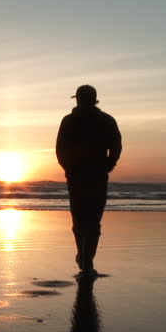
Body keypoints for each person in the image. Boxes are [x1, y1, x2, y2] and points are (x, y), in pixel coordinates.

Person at [56, 85, 122, 277]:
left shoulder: (69, 121)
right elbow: (116, 146)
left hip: (79, 176)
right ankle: (87, 259)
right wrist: (109, 164)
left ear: (77, 99)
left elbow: (60, 150)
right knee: (93, 220)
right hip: (96, 175)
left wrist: (68, 168)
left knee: (79, 219)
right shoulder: (106, 120)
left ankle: (85, 259)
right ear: (94, 100)